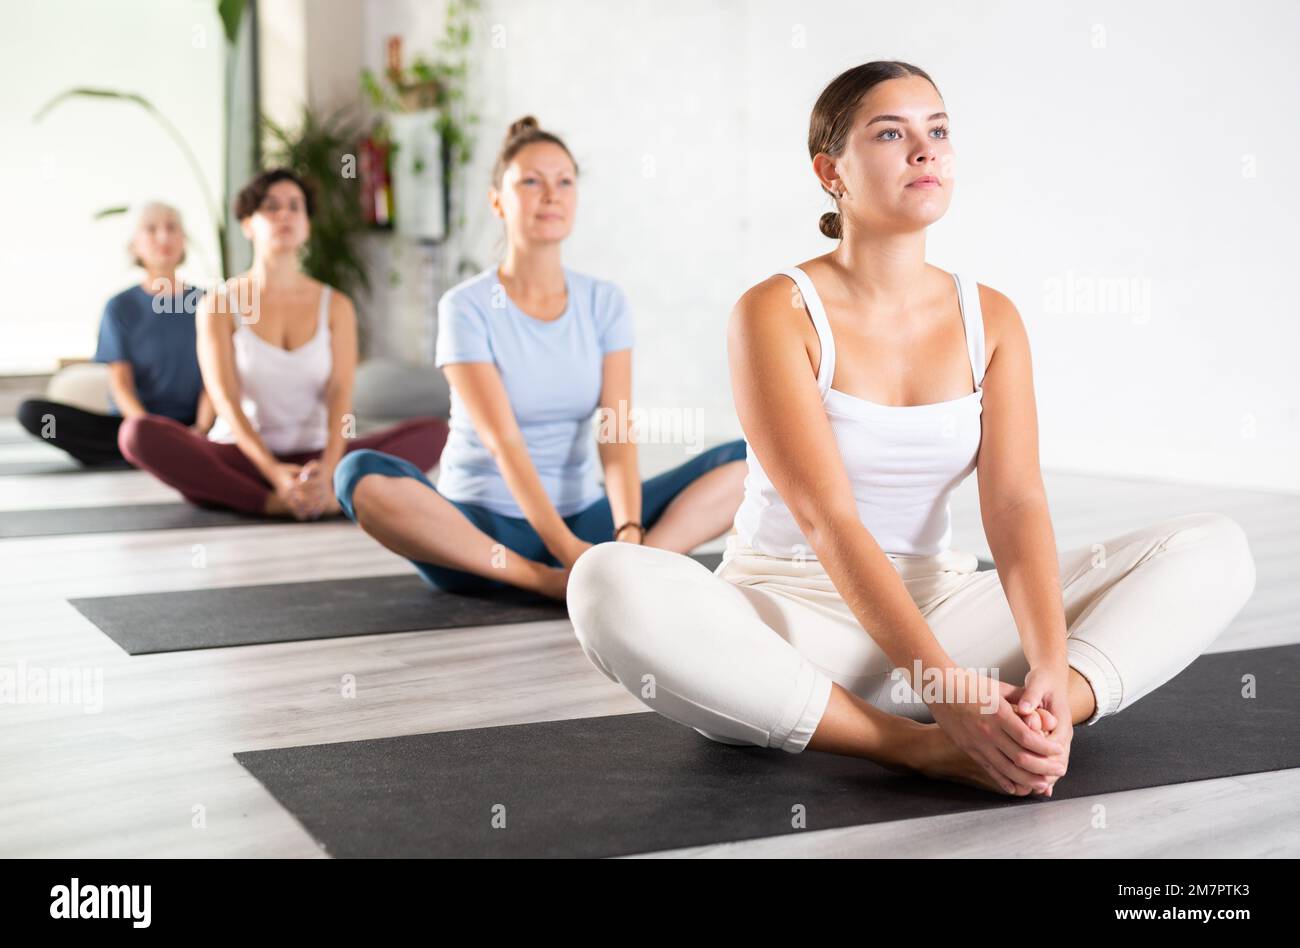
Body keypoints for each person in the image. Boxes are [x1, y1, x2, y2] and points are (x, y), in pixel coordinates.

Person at [565, 62, 1257, 798]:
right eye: (891, 133)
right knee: (605, 581)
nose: (925, 150)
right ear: (831, 171)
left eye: (938, 131)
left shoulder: (992, 317)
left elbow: (1015, 501)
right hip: (787, 629)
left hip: (946, 617)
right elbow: (828, 520)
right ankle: (911, 747)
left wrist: (1052, 667)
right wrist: (944, 696)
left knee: (1216, 549)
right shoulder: (776, 310)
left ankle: (1035, 723)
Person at [333, 117, 748, 599]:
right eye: (531, 181)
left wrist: (628, 529)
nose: (551, 194)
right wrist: (565, 552)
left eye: (564, 181)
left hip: (588, 520)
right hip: (482, 537)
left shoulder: (603, 301)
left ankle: (635, 569)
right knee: (358, 474)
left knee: (749, 460)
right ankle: (555, 584)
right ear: (497, 202)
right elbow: (502, 440)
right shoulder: (466, 306)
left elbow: (615, 431)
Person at [119, 168, 447, 518]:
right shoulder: (218, 304)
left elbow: (340, 393)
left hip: (317, 456)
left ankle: (327, 492)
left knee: (436, 432)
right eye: (270, 207)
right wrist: (273, 472)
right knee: (136, 434)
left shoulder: (336, 305)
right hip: (241, 458)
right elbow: (225, 398)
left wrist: (330, 466)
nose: (284, 215)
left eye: (295, 207)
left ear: (306, 225)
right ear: (247, 224)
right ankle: (276, 501)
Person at [17, 201, 212, 466]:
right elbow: (121, 384)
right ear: (135, 245)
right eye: (151, 229)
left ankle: (163, 453)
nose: (164, 236)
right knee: (33, 414)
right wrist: (148, 430)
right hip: (134, 424)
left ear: (184, 241)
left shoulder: (209, 303)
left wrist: (201, 428)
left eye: (172, 228)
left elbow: (215, 381)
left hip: (196, 425)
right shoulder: (120, 307)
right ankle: (153, 451)